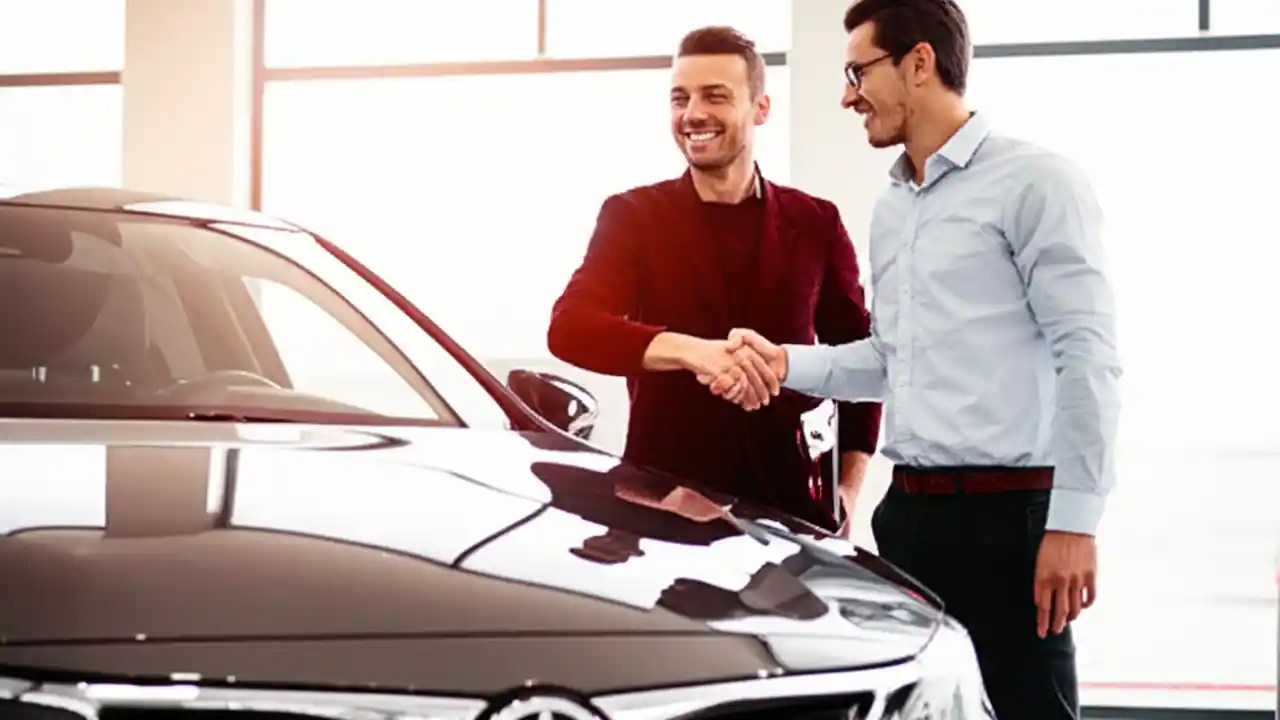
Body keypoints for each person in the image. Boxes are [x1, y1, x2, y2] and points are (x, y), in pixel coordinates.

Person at [709, 1, 1122, 718]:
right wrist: (784, 363)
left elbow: (1087, 356)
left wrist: (1074, 523)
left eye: (858, 71)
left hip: (1013, 521)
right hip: (910, 521)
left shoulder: (1036, 183)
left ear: (920, 63)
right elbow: (888, 359)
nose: (846, 95)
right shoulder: (895, 204)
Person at [546, 25, 882, 534]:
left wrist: (848, 492)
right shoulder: (633, 216)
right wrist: (694, 352)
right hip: (660, 514)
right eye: (680, 98)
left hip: (794, 520)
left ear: (760, 108)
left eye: (715, 96)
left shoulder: (817, 221)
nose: (692, 113)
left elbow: (863, 358)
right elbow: (570, 327)